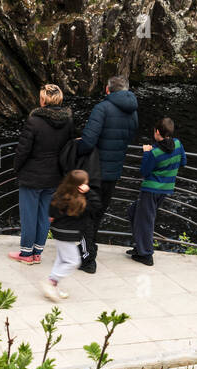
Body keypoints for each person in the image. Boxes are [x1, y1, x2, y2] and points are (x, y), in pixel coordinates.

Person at [75, 75, 139, 272]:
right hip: (114, 171)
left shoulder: (101, 108)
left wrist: (76, 150)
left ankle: (88, 259)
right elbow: (131, 136)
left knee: (86, 212)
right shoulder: (133, 112)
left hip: (95, 171)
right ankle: (88, 248)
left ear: (107, 89)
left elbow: (88, 141)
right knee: (98, 212)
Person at [10, 83, 74, 264]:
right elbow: (69, 147)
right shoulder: (68, 120)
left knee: (29, 216)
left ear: (43, 100)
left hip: (32, 176)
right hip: (55, 176)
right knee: (44, 216)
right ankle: (37, 253)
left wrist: (17, 169)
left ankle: (26, 254)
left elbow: (23, 150)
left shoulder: (34, 121)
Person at [127, 116, 186, 266]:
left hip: (151, 190)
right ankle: (140, 247)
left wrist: (147, 152)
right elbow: (183, 162)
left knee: (146, 221)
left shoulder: (155, 152)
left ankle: (146, 255)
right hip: (166, 189)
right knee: (133, 212)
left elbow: (145, 172)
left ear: (157, 132)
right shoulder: (178, 144)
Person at [42, 169, 90, 301]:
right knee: (73, 261)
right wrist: (88, 193)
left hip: (58, 231)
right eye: (86, 183)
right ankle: (51, 282)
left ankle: (53, 286)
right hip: (68, 234)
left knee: (61, 259)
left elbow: (51, 212)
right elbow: (95, 207)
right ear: (80, 185)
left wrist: (52, 217)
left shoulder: (60, 194)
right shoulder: (80, 200)